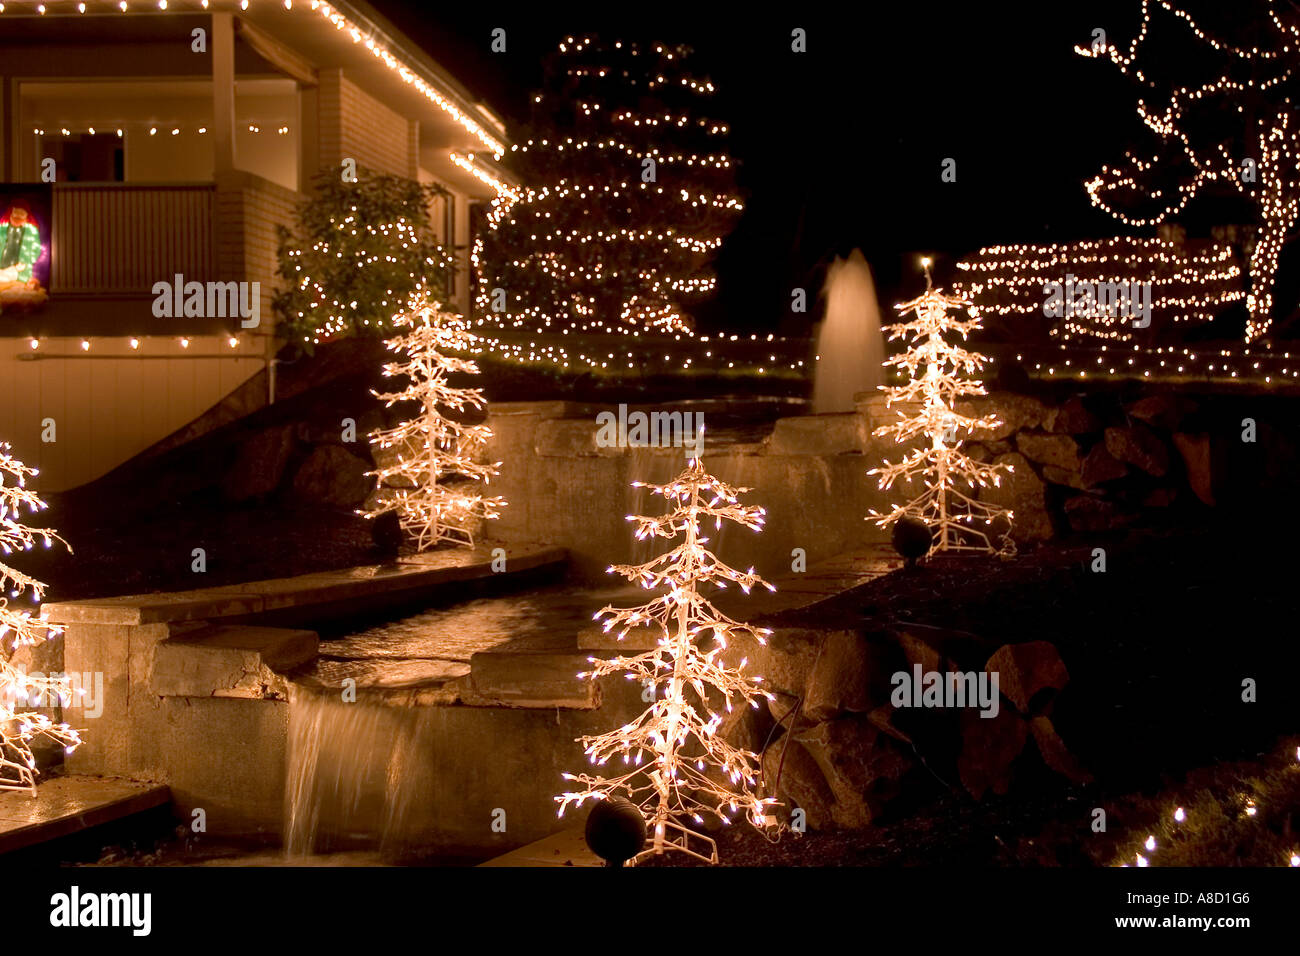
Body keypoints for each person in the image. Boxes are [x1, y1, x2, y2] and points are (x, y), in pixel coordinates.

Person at [0, 200, 43, 288]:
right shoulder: (2, 229)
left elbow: (36, 249)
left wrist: (27, 261)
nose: (16, 221)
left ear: (25, 218)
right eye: (15, 218)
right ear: (10, 216)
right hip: (2, 266)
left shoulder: (31, 231)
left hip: (20, 269)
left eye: (19, 219)